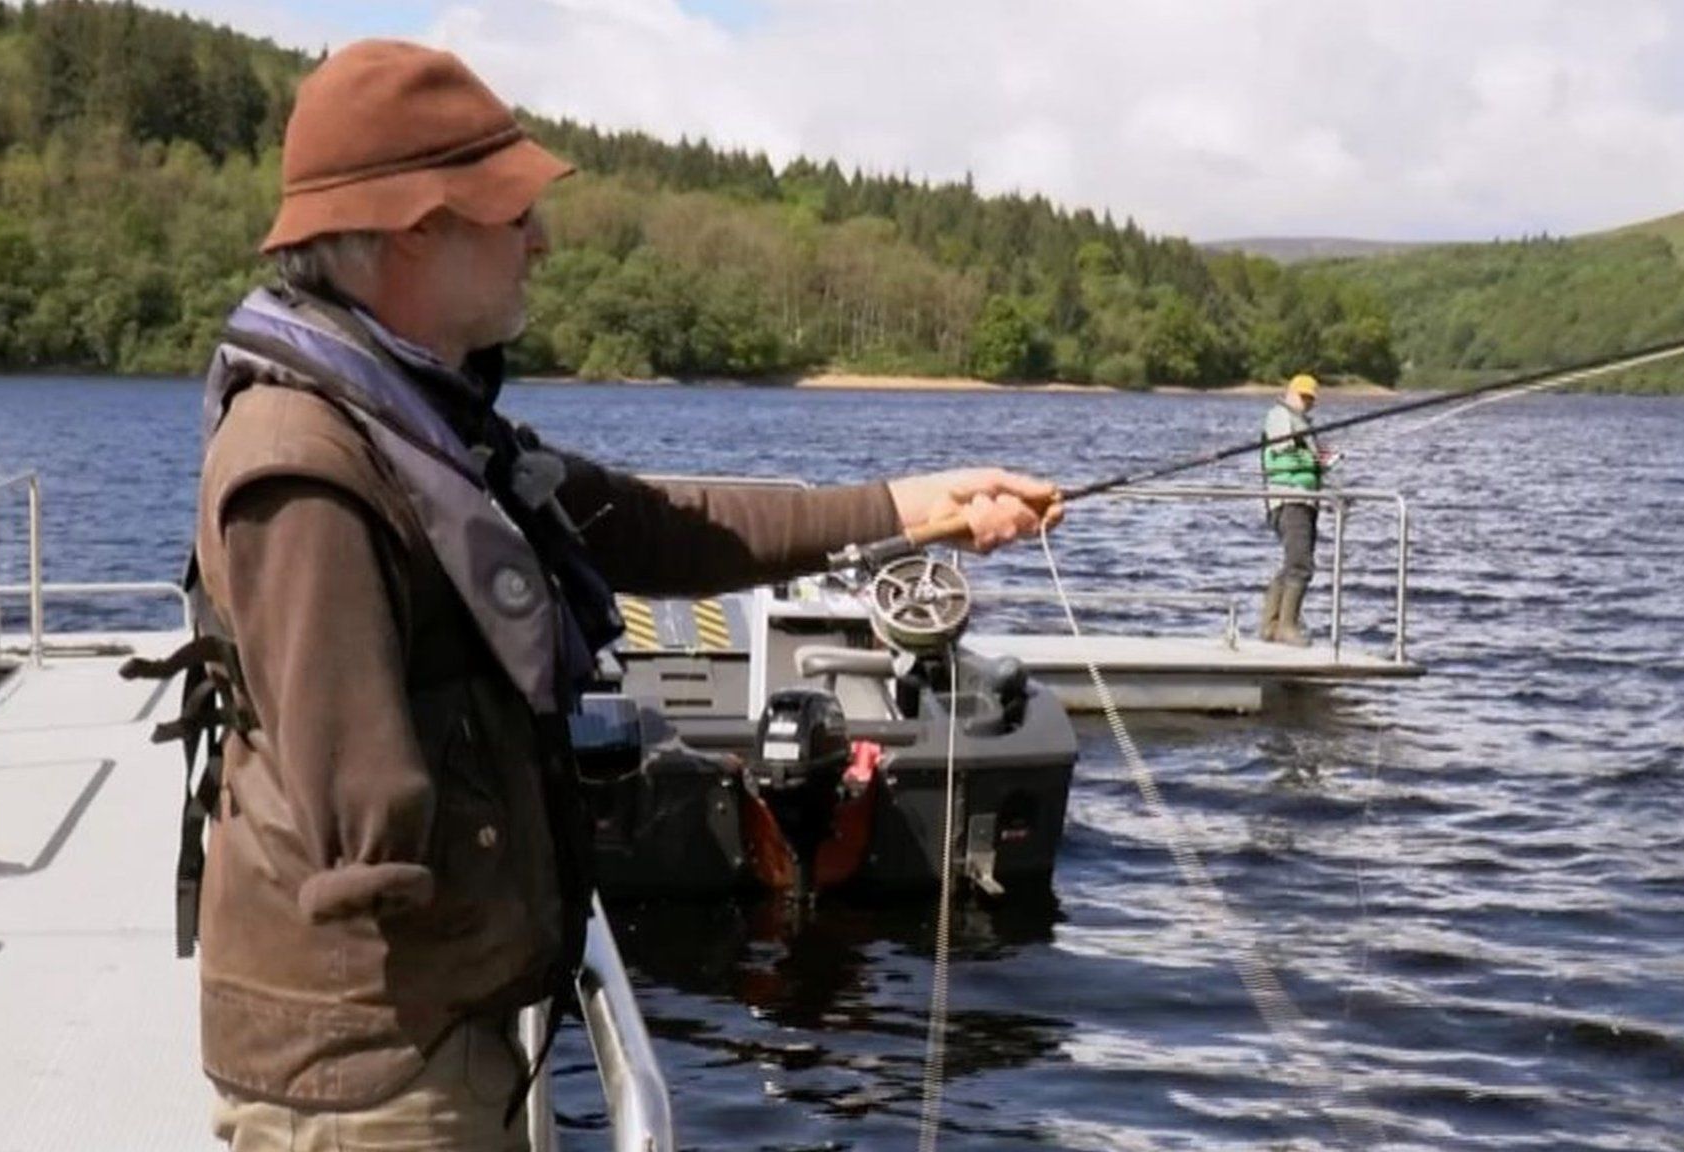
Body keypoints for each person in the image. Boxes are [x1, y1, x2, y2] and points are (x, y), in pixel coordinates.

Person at [165, 40, 1064, 1152]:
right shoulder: (304, 467)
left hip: (440, 1029)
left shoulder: (424, 421)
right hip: (372, 1070)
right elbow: (370, 835)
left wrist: (913, 501)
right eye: (509, 214)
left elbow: (656, 527)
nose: (539, 241)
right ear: (411, 230)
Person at [1259, 372, 1337, 646]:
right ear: (1290, 393)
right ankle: (1286, 627)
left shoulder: (1303, 424)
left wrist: (1323, 461)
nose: (1307, 402)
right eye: (1303, 396)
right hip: (1290, 500)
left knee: (1293, 563)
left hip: (1305, 501)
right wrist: (1314, 457)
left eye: (1311, 398)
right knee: (1301, 565)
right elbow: (1282, 449)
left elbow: (1306, 458)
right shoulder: (1280, 415)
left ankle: (1271, 624)